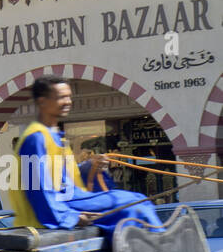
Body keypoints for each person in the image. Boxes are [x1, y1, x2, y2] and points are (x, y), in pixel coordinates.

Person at [9, 76, 161, 234]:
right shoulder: (36, 138)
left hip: (71, 198)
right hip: (62, 206)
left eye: (69, 96)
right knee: (135, 207)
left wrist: (89, 166)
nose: (68, 102)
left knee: (138, 201)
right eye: (61, 97)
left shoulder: (54, 136)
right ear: (42, 102)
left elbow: (62, 177)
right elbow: (38, 189)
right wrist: (72, 217)